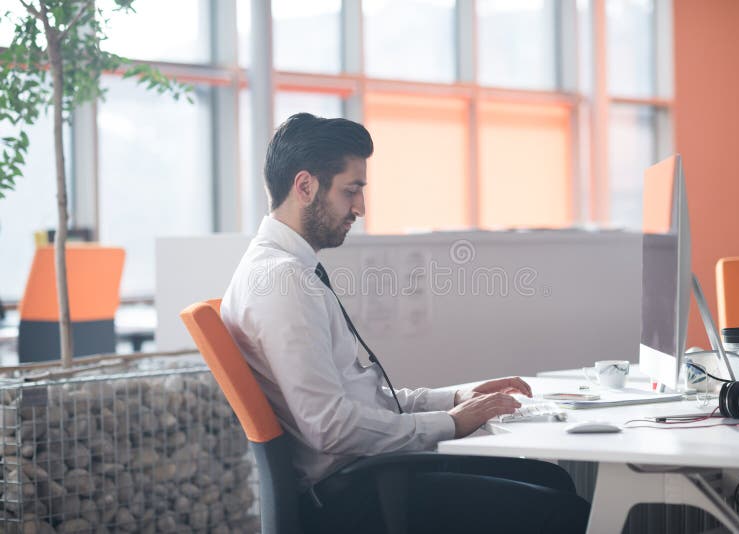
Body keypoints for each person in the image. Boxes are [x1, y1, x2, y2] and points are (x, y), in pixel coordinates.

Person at [221, 113, 590, 534]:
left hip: (368, 477)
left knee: (552, 480)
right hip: (357, 498)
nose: (360, 208)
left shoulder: (286, 271)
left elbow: (365, 399)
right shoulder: (283, 282)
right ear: (305, 187)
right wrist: (452, 423)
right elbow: (331, 427)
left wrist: (455, 398)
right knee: (562, 509)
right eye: (351, 191)